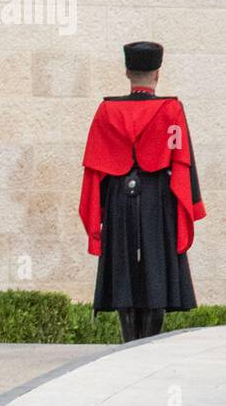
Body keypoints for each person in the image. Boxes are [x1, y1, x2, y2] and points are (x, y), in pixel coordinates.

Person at [81, 41, 204, 342]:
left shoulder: (106, 110)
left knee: (124, 268)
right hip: (158, 199)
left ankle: (128, 344)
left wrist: (98, 212)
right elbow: (182, 160)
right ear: (157, 74)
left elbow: (95, 168)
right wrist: (191, 204)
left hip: (119, 200)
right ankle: (150, 346)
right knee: (156, 269)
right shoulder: (171, 109)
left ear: (127, 71)